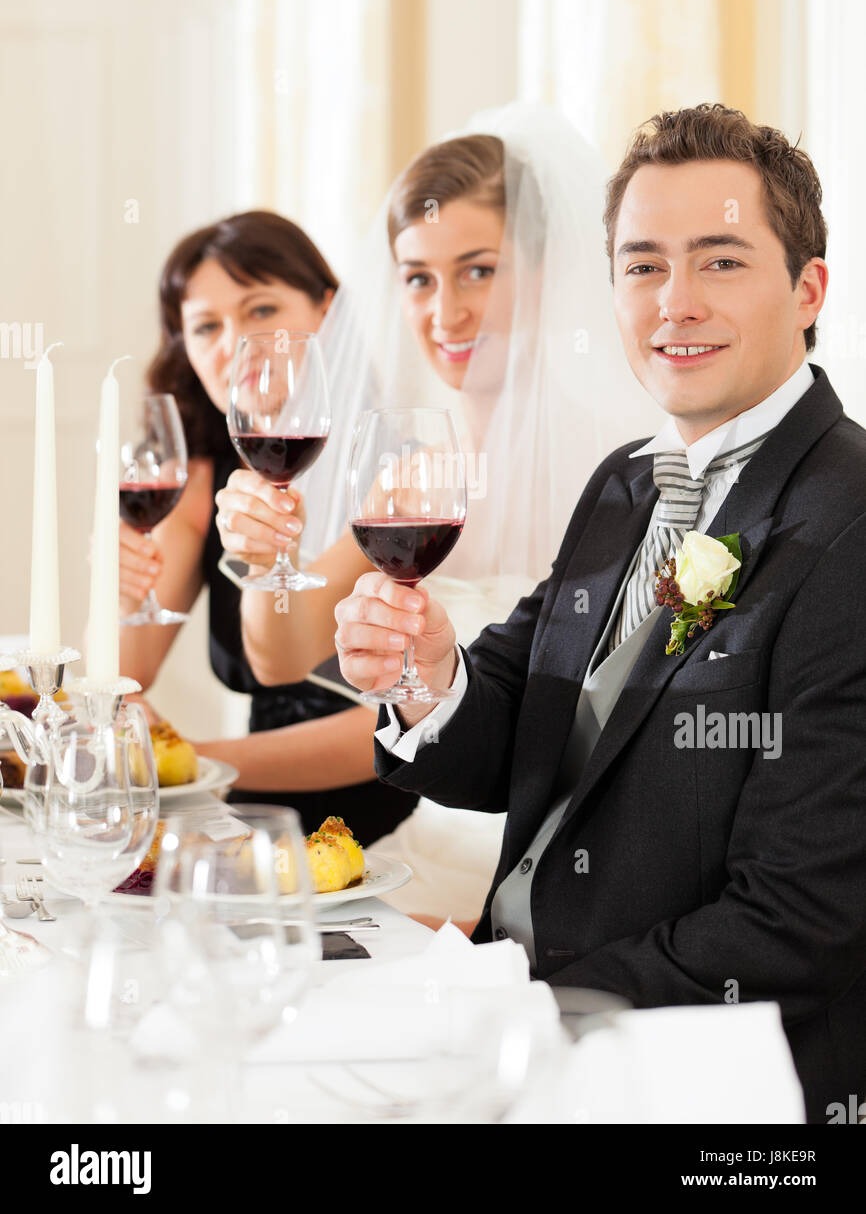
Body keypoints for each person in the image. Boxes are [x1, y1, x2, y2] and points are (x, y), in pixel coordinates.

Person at [334, 102, 866, 1122]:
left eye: (717, 261)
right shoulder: (625, 482)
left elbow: (799, 919)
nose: (671, 303)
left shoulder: (847, 526)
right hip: (519, 1024)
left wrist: (525, 1006)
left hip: (714, 1086)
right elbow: (510, 734)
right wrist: (428, 675)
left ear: (807, 290)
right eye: (639, 265)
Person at [217, 105, 654, 921]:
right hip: (413, 856)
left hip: (538, 882)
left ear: (550, 270)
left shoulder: (622, 478)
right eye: (418, 277)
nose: (443, 311)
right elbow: (282, 655)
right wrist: (263, 552)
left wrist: (213, 763)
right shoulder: (420, 476)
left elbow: (549, 727)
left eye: (478, 270)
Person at [118, 210, 417, 843]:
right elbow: (128, 673)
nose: (235, 346)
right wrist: (118, 588)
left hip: (383, 814)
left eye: (260, 312)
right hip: (249, 813)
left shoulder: (400, 467)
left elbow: (400, 720)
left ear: (326, 313)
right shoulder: (201, 478)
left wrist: (198, 761)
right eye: (205, 327)